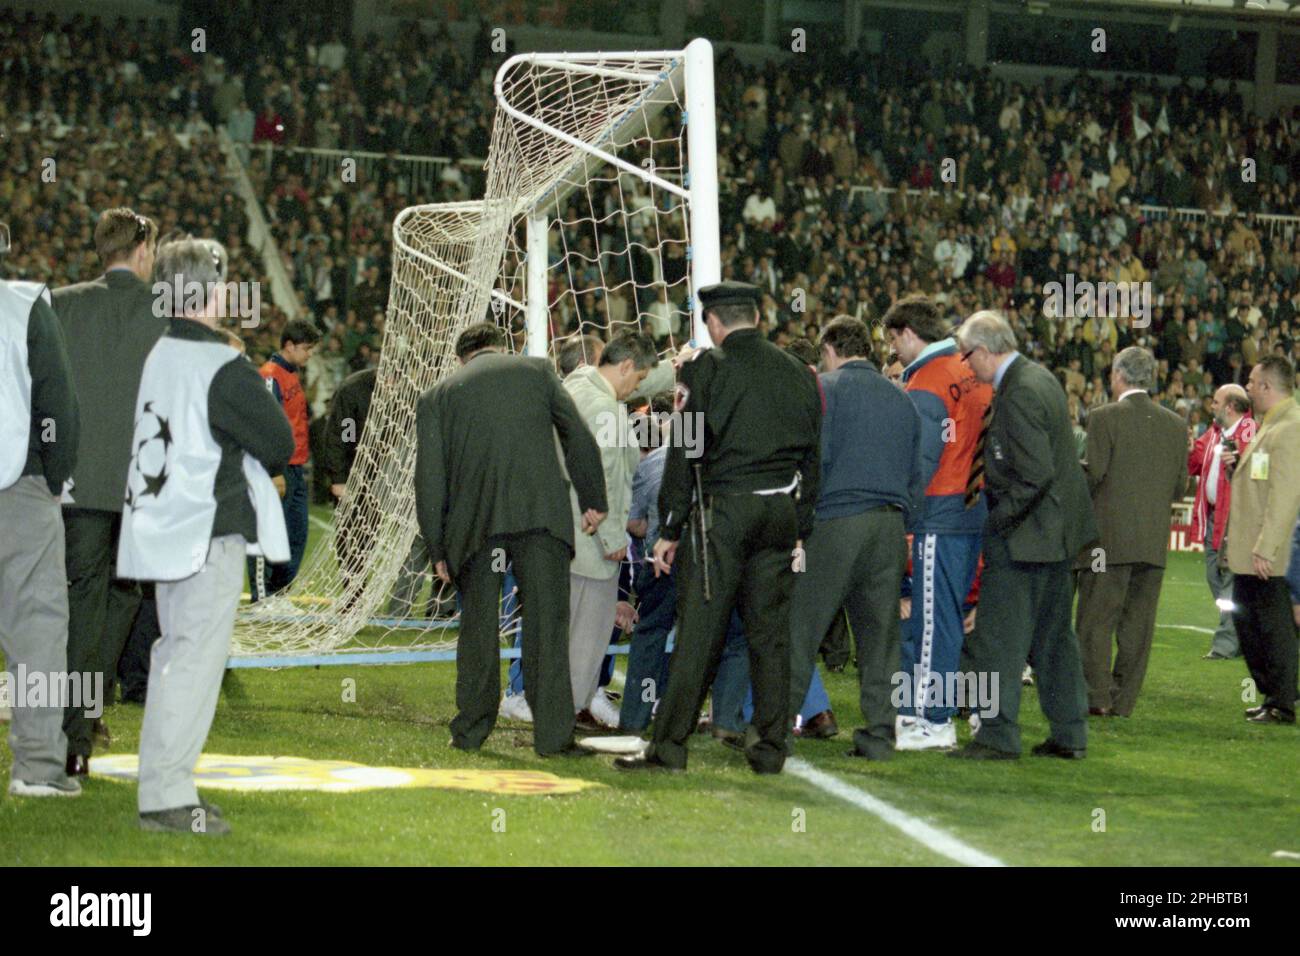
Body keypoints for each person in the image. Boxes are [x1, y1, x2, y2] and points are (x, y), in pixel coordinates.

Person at [117, 238, 294, 834]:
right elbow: (279, 443)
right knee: (192, 664)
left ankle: (163, 785)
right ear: (208, 291)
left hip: (166, 528)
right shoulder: (218, 362)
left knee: (175, 657)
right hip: (206, 528)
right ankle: (167, 796)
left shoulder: (161, 350)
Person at [615, 281, 821, 774]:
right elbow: (814, 454)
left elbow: (686, 450)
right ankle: (770, 748)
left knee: (699, 633)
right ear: (757, 316)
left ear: (712, 322)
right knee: (769, 635)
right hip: (780, 509)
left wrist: (669, 526)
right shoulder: (798, 370)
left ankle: (669, 746)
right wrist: (801, 523)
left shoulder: (705, 369)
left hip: (723, 513)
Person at [414, 322, 608, 757]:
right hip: (540, 516)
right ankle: (554, 738)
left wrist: (437, 546)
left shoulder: (437, 395)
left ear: (461, 358)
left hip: (475, 526)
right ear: (502, 347)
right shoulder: (538, 372)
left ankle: (470, 730)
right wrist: (593, 498)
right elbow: (578, 436)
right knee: (547, 628)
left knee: (478, 630)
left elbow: (429, 478)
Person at [950, 310, 1097, 761]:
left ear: (985, 350)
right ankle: (1070, 733)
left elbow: (1034, 476)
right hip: (1053, 537)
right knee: (1054, 641)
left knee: (998, 639)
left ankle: (997, 735)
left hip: (1026, 539)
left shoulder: (1018, 392)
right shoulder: (1040, 378)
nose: (965, 365)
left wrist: (996, 522)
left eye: (966, 355)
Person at [51, 207, 166, 776]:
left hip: (78, 482)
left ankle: (75, 731)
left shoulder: (61, 304)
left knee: (83, 599)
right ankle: (87, 711)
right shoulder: (165, 309)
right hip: (141, 486)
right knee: (124, 595)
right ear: (143, 250)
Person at [787, 315, 923, 760]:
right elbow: (917, 474)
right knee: (880, 640)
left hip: (836, 521)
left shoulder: (824, 389)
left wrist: (800, 523)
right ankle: (880, 735)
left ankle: (774, 730)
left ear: (829, 349)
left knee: (800, 629)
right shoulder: (902, 398)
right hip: (889, 527)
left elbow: (813, 461)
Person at [886, 295, 991, 750]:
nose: (894, 351)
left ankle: (933, 719)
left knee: (932, 622)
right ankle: (918, 712)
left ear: (909, 333)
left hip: (938, 511)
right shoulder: (972, 369)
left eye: (894, 340)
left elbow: (920, 460)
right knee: (944, 618)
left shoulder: (928, 379)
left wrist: (903, 515)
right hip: (972, 508)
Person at [0, 235, 83, 797]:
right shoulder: (24, 304)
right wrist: (55, 477)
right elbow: (58, 406)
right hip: (18, 482)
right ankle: (35, 766)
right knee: (36, 627)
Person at [1075, 347, 1187, 717]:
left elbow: (1093, 475)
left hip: (1105, 543)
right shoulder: (1176, 424)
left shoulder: (1104, 417)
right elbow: (1179, 487)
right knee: (1138, 625)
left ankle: (1097, 697)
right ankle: (1123, 701)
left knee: (1095, 619)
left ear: (1118, 375)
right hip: (1152, 541)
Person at [561, 331, 659, 727]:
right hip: (594, 543)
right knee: (588, 636)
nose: (636, 389)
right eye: (638, 380)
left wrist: (674, 368)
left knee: (569, 632)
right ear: (625, 367)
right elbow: (609, 480)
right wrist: (615, 537)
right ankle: (566, 716)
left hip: (569, 534)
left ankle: (563, 709)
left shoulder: (579, 383)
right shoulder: (609, 413)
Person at [1226, 355, 1300, 725]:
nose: (1248, 388)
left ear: (1268, 387)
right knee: (1250, 623)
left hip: (1266, 551)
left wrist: (1267, 547)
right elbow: (1265, 479)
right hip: (1252, 549)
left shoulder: (1290, 428)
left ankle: (1282, 702)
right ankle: (1274, 695)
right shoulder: (1273, 425)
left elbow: (1285, 495)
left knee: (1271, 627)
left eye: (1253, 382)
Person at [248, 318, 321, 602]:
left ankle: (280, 595)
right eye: (306, 348)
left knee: (295, 535)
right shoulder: (270, 375)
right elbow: (266, 426)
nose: (310, 354)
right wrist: (274, 470)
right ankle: (262, 597)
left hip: (296, 467)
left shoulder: (291, 373)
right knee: (269, 532)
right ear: (289, 346)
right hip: (278, 468)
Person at [1187, 384, 1256, 659]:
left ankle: (1225, 645)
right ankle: (1243, 630)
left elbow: (1252, 465)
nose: (1211, 405)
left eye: (1216, 402)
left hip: (1235, 516)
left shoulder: (1249, 430)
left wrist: (1238, 457)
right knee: (1214, 575)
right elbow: (1194, 463)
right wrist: (1189, 448)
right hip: (1214, 515)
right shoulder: (1214, 432)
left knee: (1229, 578)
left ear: (1229, 407)